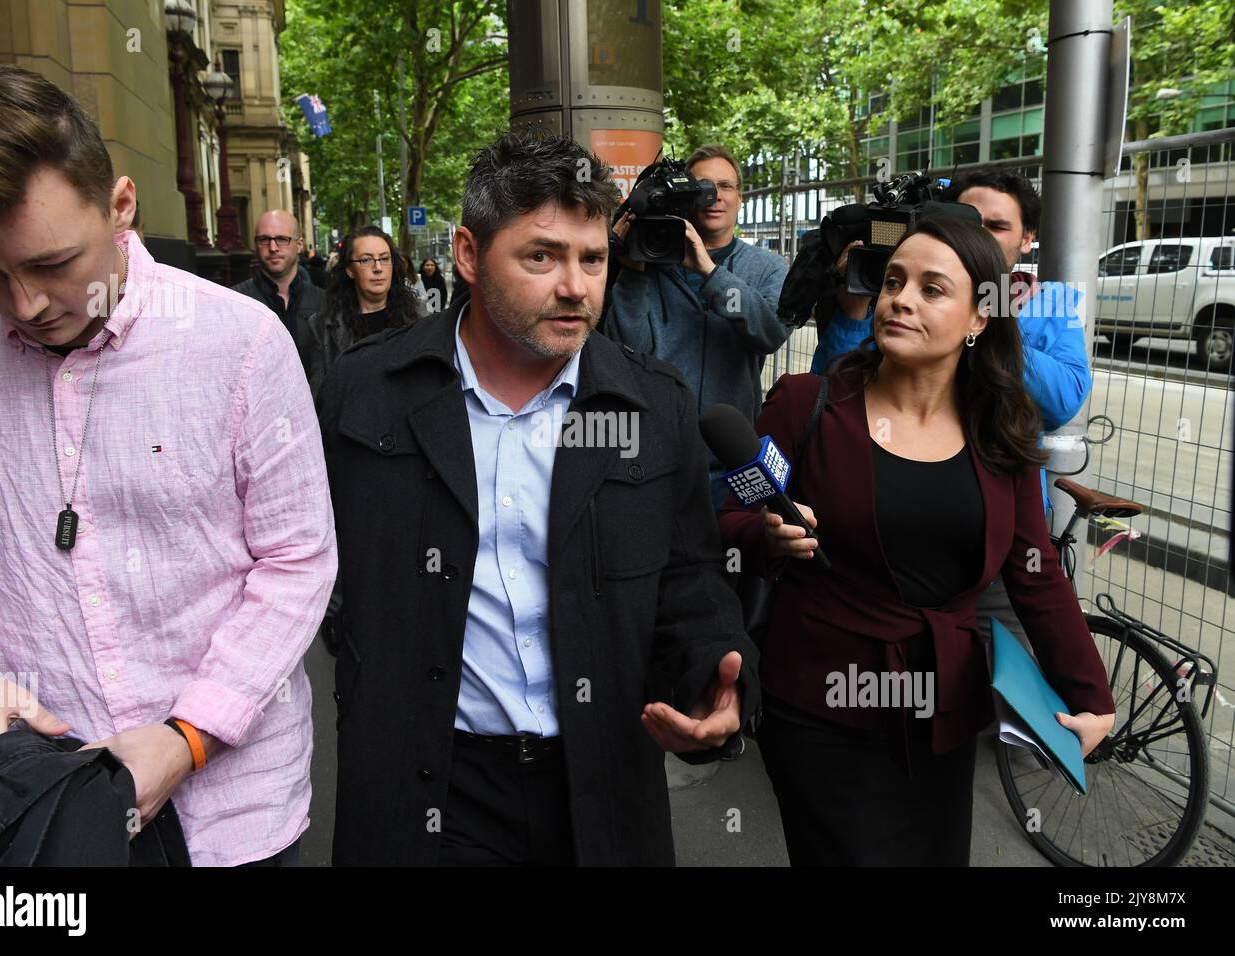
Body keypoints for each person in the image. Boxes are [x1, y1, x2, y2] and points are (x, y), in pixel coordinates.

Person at [319, 131, 759, 866]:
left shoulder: (653, 406)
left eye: (592, 258)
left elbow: (689, 576)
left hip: (601, 786)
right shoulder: (366, 395)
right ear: (467, 254)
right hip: (430, 788)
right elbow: (305, 565)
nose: (576, 286)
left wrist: (719, 667)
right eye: (542, 256)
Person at [0, 63, 337, 867]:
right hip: (28, 807)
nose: (24, 305)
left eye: (52, 265)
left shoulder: (242, 344)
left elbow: (297, 561)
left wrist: (188, 737)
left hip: (231, 815)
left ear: (122, 207)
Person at [718, 216, 1115, 866]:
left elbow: (1034, 571)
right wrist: (766, 534)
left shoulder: (1000, 427)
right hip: (820, 709)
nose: (899, 298)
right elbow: (727, 522)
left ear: (977, 318)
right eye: (893, 281)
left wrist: (1090, 696)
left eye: (932, 289)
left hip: (944, 712)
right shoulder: (805, 405)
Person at [809, 168, 1090, 652]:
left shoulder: (1050, 302)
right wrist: (858, 307)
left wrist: (985, 314)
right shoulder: (904, 297)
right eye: (968, 220)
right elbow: (832, 385)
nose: (979, 234)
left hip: (999, 518)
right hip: (896, 516)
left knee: (1000, 678)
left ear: (1027, 239)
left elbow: (1065, 398)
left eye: (997, 226)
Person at [605, 144, 790, 433]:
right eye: (703, 186)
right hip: (660, 445)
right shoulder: (651, 262)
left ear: (740, 198)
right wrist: (632, 270)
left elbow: (770, 334)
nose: (714, 196)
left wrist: (710, 272)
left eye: (725, 186)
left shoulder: (768, 267)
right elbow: (630, 350)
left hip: (730, 447)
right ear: (685, 196)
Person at [309, 225, 424, 396]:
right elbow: (320, 396)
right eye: (366, 260)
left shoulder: (419, 318)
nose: (378, 267)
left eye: (385, 259)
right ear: (349, 270)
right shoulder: (324, 326)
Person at [232, 208, 325, 379]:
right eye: (264, 240)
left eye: (282, 239)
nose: (273, 247)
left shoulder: (323, 302)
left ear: (299, 244)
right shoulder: (236, 302)